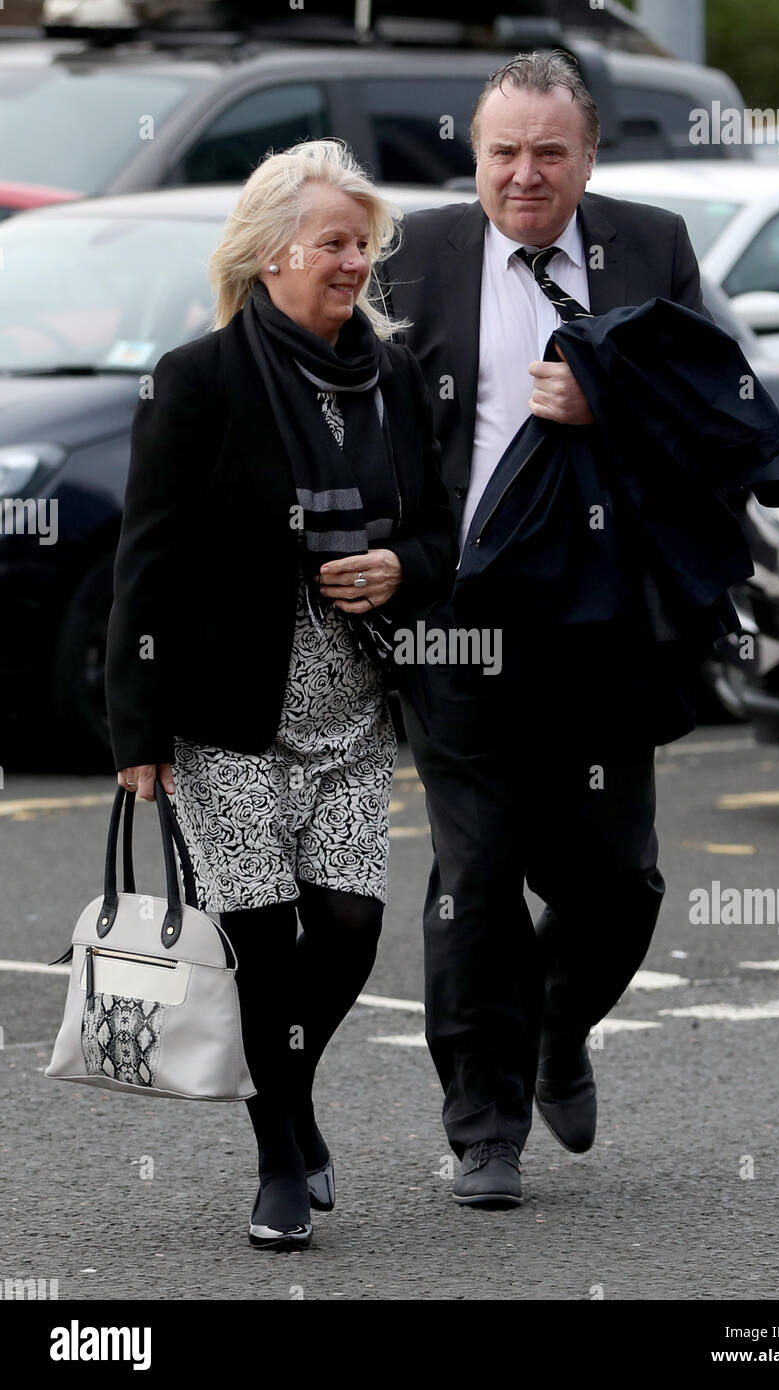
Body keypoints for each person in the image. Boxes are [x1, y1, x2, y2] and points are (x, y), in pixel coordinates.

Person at [104, 139, 457, 1249]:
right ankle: (281, 1149)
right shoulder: (197, 378)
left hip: (353, 706)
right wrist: (136, 727)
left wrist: (401, 563)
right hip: (228, 716)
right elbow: (144, 563)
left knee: (347, 928)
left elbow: (445, 529)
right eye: (333, 242)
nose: (354, 263)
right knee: (261, 940)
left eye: (365, 243)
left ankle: (288, 1101)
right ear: (270, 253)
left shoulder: (394, 375)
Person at [379, 51, 710, 1208]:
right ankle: (484, 1128)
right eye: (501, 152)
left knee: (616, 881)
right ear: (473, 153)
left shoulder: (653, 244)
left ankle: (555, 1030)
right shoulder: (412, 253)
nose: (523, 175)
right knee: (475, 870)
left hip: (601, 625)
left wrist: (608, 395)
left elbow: (708, 410)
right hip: (456, 627)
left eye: (547, 153)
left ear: (587, 157)